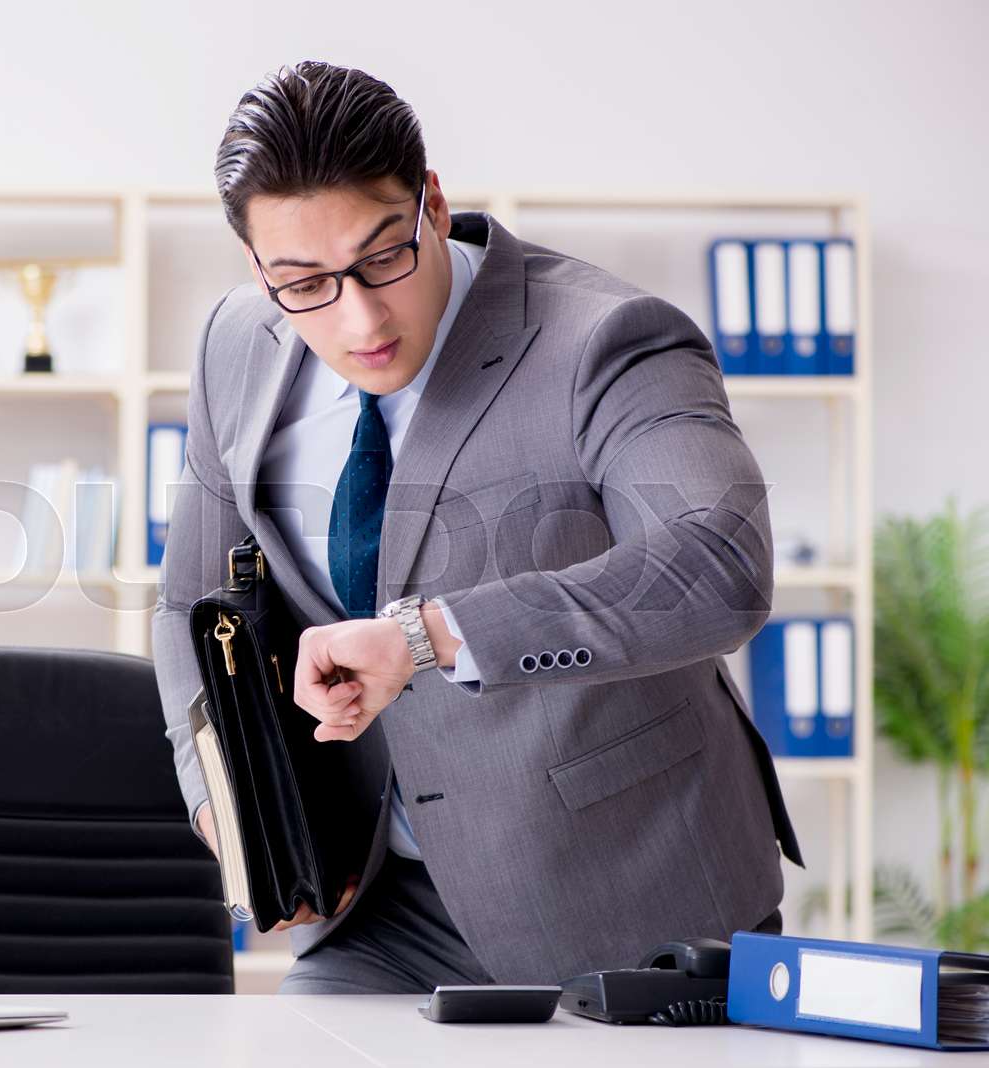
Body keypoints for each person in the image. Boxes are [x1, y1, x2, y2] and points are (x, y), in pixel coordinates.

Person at [150, 60, 801, 993]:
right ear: (257, 269)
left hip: (629, 898)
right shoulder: (235, 344)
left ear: (433, 202)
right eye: (304, 282)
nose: (360, 316)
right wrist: (222, 795)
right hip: (377, 909)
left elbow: (718, 561)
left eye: (384, 257)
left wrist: (428, 635)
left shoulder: (607, 339)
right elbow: (188, 601)